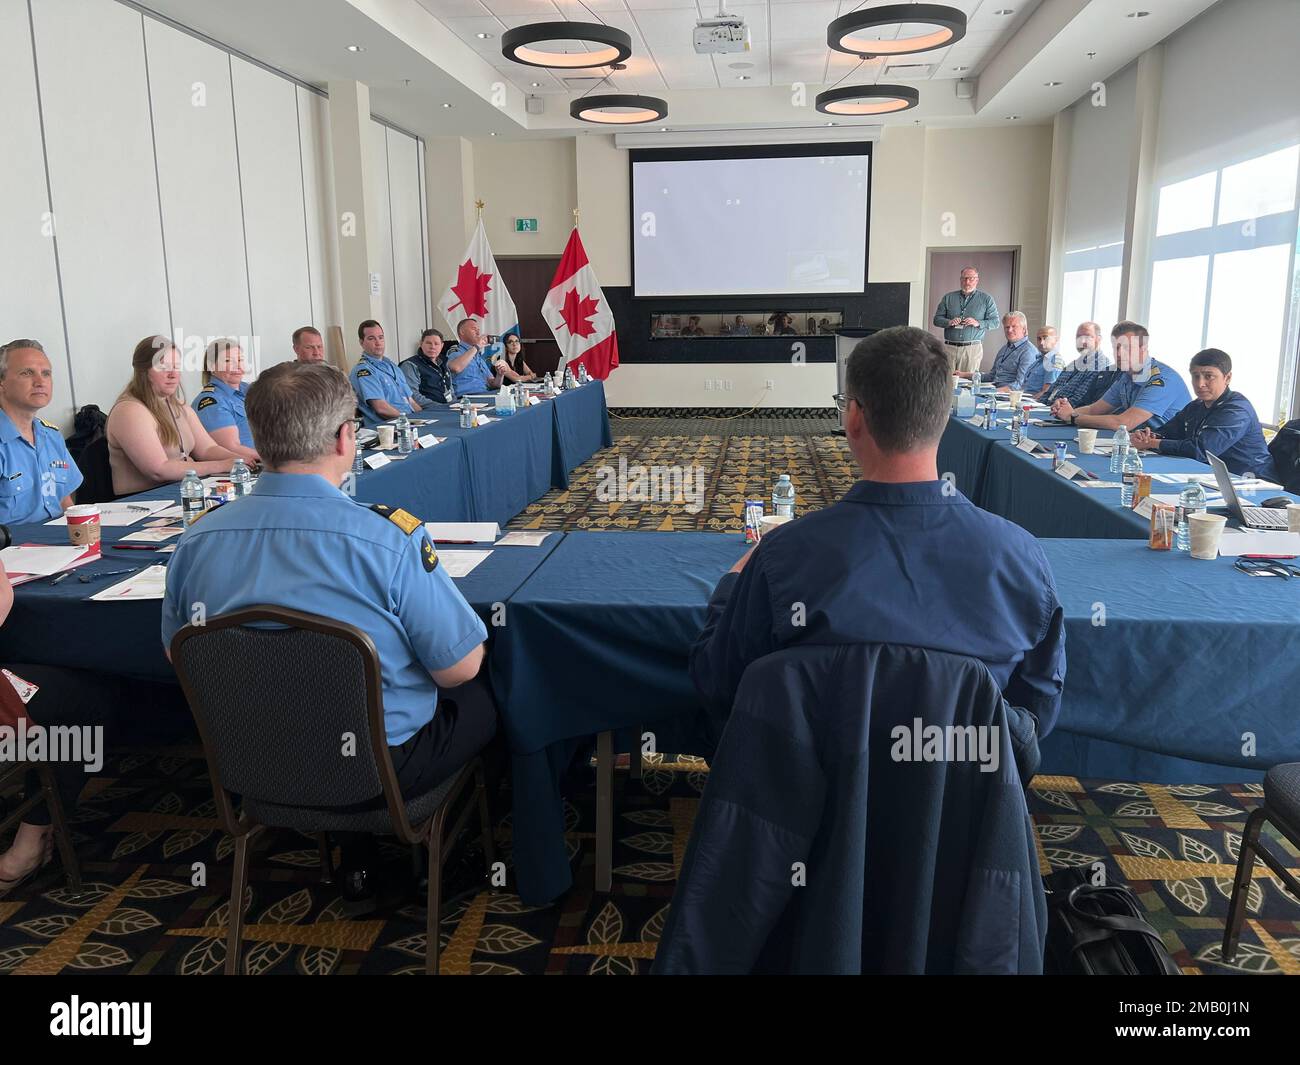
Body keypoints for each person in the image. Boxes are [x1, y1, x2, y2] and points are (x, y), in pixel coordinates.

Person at [160, 362, 494, 899]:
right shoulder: (388, 539)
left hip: (252, 763)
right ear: (346, 437)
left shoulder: (195, 542)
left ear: (257, 437)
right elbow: (458, 669)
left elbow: (185, 659)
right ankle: (457, 856)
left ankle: (351, 857)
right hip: (381, 771)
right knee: (483, 693)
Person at [690, 326, 1064, 787]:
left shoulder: (782, 557)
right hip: (965, 817)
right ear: (945, 417)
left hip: (803, 812)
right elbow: (1034, 714)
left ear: (853, 418)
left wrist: (730, 585)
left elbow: (718, 683)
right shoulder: (1022, 557)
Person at [105, 336, 238, 497]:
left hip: (182, 492)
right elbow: (159, 470)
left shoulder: (179, 407)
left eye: (176, 367)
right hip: (144, 502)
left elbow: (208, 449)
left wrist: (242, 461)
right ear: (143, 371)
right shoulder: (130, 411)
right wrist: (222, 465)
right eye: (163, 367)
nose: (173, 374)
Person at [1131, 349, 1276, 479]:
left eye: (1209, 376)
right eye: (1196, 376)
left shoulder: (1237, 410)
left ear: (1227, 378)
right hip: (1212, 478)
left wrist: (1152, 443)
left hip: (1252, 483)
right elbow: (1167, 432)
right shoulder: (1197, 405)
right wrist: (1146, 436)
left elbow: (1201, 451)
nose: (1200, 384)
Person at [1050, 321, 1191, 431]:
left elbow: (1124, 423)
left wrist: (1074, 417)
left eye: (1126, 348)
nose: (1119, 354)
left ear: (1143, 349)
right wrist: (1064, 410)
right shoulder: (1127, 376)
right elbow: (1094, 410)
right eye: (1116, 347)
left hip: (1168, 453)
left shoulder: (1162, 380)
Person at [0, 338, 82, 524]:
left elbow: (64, 501)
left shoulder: (52, 436)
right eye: (27, 373)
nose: (40, 381)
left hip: (59, 544)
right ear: (1, 382)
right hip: (13, 548)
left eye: (46, 373)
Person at [192, 338, 259, 465]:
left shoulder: (251, 390)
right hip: (247, 467)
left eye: (240, 360)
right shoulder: (210, 402)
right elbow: (230, 447)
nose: (237, 366)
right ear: (212, 366)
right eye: (228, 361)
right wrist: (273, 459)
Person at [349, 320, 421, 428]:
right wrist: (408, 422)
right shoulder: (364, 371)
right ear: (361, 342)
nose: (378, 343)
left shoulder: (391, 366)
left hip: (409, 423)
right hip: (389, 429)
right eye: (371, 338)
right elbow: (381, 408)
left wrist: (423, 417)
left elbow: (410, 400)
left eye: (380, 337)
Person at [932, 266, 1001, 372]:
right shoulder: (948, 297)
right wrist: (949, 322)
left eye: (971, 278)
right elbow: (936, 319)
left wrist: (977, 323)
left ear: (977, 280)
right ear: (960, 280)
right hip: (949, 348)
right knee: (946, 382)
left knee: (968, 383)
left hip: (972, 349)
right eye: (964, 278)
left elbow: (995, 322)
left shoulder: (986, 299)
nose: (967, 281)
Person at [1040, 321, 1118, 406]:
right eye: (1079, 337)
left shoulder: (1101, 367)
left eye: (1087, 337)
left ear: (1098, 339)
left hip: (1067, 415)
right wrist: (1039, 406)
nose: (1082, 341)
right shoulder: (1073, 364)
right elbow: (1050, 391)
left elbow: (1079, 400)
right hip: (1048, 410)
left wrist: (1053, 408)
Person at [969, 311, 1037, 391]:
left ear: (1024, 330)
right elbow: (992, 376)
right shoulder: (1004, 349)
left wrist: (993, 392)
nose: (1009, 330)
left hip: (1009, 397)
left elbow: (1020, 384)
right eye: (1007, 327)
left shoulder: (1028, 352)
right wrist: (964, 375)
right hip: (994, 391)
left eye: (1014, 326)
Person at [447, 319, 509, 395]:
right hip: (466, 398)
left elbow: (494, 384)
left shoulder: (478, 356)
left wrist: (500, 375)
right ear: (462, 332)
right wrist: (477, 346)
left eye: (478, 330)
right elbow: (456, 368)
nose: (478, 333)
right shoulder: (456, 351)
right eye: (474, 329)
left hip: (485, 395)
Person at [399, 328, 453, 406]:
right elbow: (412, 396)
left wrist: (455, 406)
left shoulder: (443, 363)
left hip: (447, 408)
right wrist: (440, 407)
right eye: (428, 343)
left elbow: (451, 391)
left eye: (436, 344)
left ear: (442, 346)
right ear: (421, 344)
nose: (432, 347)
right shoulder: (410, 365)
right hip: (427, 411)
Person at [1023, 326, 1065, 396]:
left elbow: (1046, 393)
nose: (1041, 342)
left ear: (1056, 340)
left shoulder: (1054, 361)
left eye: (1045, 338)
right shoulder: (1038, 361)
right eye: (1039, 339)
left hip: (1035, 403)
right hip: (1025, 398)